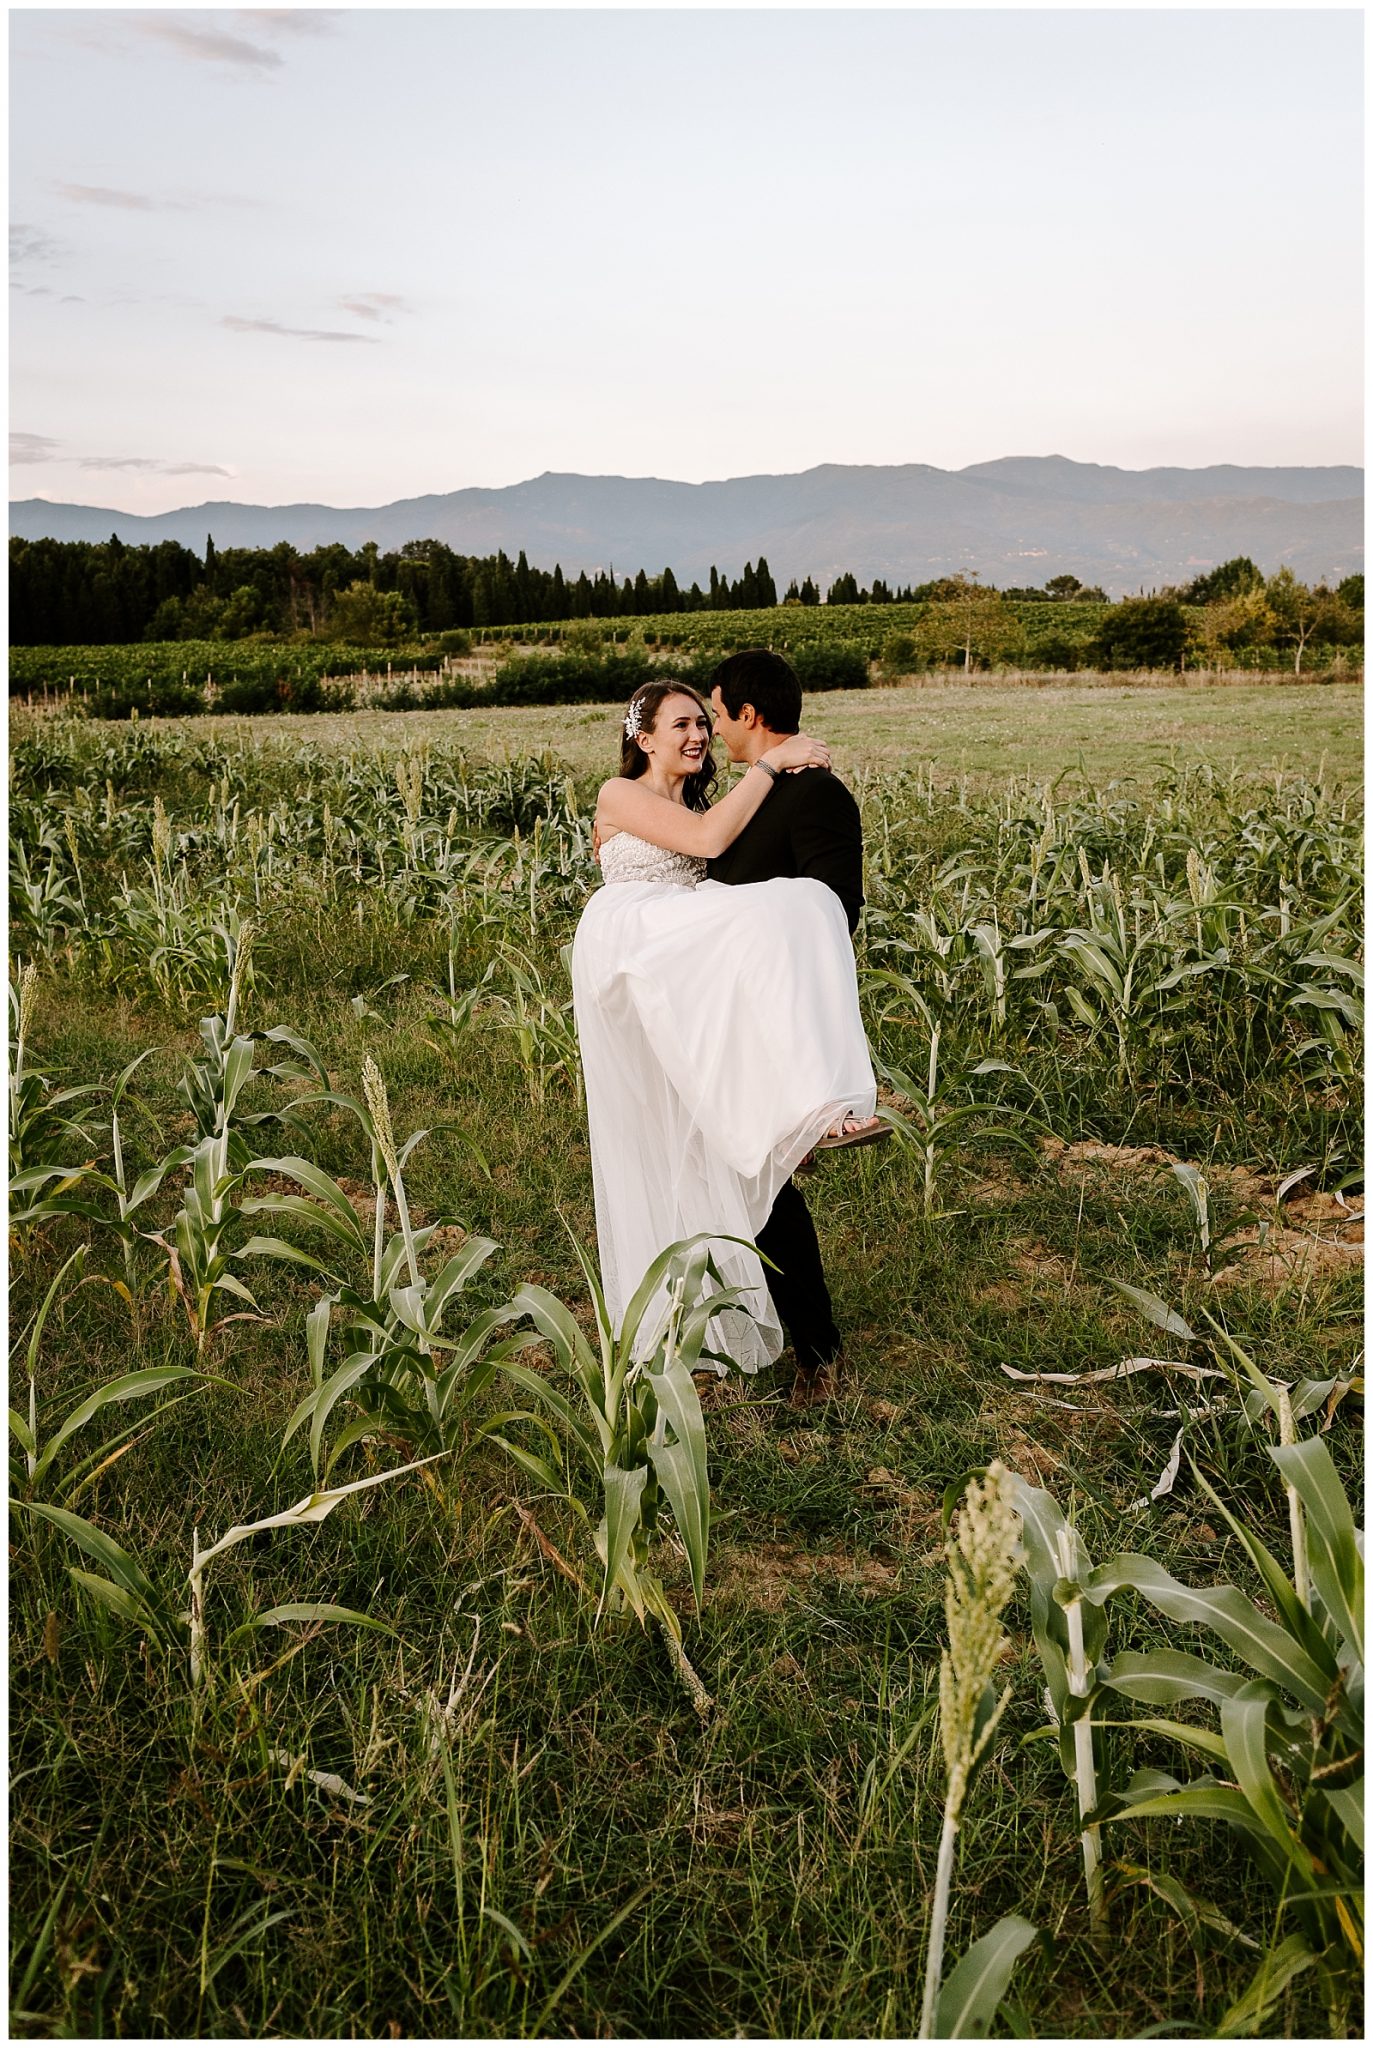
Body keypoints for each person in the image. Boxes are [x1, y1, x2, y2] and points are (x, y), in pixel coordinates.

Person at [571, 661, 885, 1395]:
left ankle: (801, 1346)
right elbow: (709, 843)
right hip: (639, 969)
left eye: (702, 723)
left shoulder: (717, 801)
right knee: (668, 1156)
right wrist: (774, 759)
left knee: (737, 1165)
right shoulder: (620, 792)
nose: (697, 735)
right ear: (642, 738)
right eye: (679, 723)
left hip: (690, 992)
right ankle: (693, 1337)